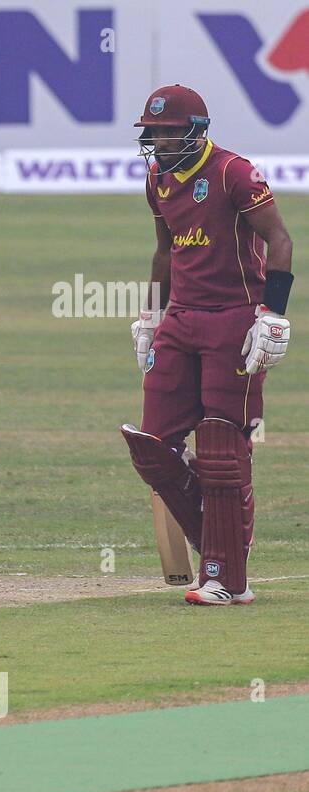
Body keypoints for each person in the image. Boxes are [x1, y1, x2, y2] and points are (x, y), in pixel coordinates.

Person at [121, 84, 293, 606]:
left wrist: (273, 316)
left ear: (196, 130)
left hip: (233, 321)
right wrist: (150, 316)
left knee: (220, 446)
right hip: (181, 321)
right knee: (152, 447)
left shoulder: (232, 172)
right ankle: (219, 545)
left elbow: (280, 239)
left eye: (170, 132)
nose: (160, 142)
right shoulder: (157, 177)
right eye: (153, 134)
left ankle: (225, 579)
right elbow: (164, 250)